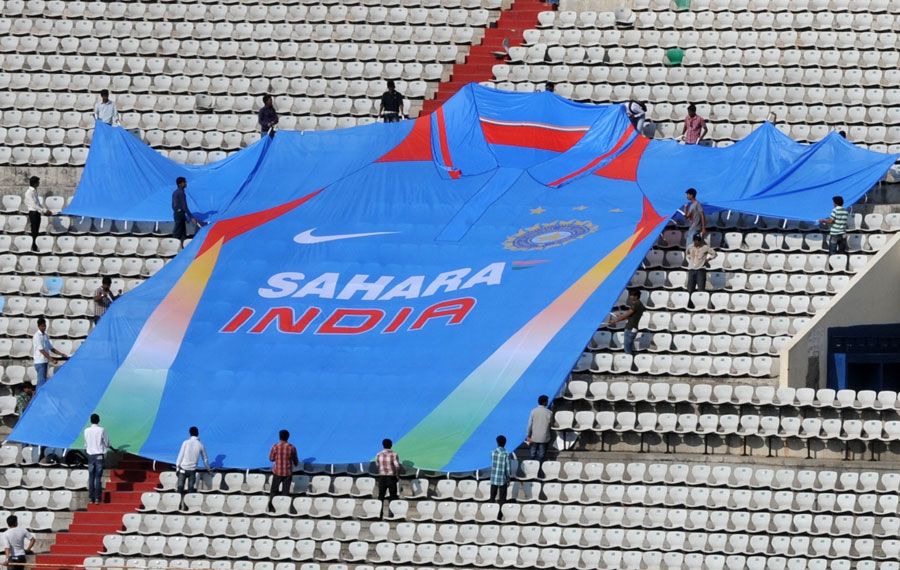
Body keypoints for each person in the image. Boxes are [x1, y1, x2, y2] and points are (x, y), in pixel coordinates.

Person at [606, 288, 645, 358]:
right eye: (630, 295)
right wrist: (620, 316)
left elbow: (626, 315)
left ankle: (630, 363)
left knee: (627, 349)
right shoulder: (639, 304)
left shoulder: (635, 304)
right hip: (632, 328)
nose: (630, 297)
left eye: (632, 295)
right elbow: (629, 316)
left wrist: (614, 321)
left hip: (630, 329)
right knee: (628, 348)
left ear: (636, 296)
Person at [268, 430, 299, 514]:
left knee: (273, 491)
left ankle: (272, 509)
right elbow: (295, 460)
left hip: (277, 472)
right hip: (287, 473)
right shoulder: (292, 447)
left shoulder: (275, 446)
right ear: (288, 437)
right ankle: (284, 509)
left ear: (279, 436)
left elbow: (271, 458)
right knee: (285, 492)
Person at [33, 317, 66, 390]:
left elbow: (51, 348)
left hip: (45, 361)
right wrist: (52, 360)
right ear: (38, 326)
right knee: (41, 382)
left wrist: (61, 354)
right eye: (42, 326)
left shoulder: (45, 335)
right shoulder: (36, 336)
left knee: (43, 381)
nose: (44, 327)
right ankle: (38, 399)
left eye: (45, 326)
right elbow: (41, 350)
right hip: (40, 362)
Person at [175, 426, 210, 495]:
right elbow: (205, 459)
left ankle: (179, 504)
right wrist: (208, 469)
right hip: (192, 471)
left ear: (189, 433)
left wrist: (177, 468)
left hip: (183, 469)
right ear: (198, 433)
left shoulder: (185, 442)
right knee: (190, 491)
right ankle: (188, 505)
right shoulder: (200, 445)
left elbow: (180, 455)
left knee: (180, 489)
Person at [84, 413, 109, 504]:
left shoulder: (86, 430)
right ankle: (98, 498)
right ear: (98, 420)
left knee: (91, 477)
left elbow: (85, 444)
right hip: (99, 455)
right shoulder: (102, 430)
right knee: (98, 477)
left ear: (91, 420)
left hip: (90, 455)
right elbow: (107, 444)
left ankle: (91, 498)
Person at [685, 234, 717, 306]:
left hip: (700, 270)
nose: (697, 242)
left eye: (699, 240)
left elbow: (714, 254)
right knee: (690, 289)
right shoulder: (689, 247)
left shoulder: (705, 247)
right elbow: (686, 254)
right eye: (696, 241)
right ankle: (690, 305)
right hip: (691, 270)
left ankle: (700, 305)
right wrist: (689, 260)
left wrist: (707, 260)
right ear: (693, 241)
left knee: (701, 289)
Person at [375, 439, 402, 518]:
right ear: (391, 445)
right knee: (393, 496)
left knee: (381, 496)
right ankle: (391, 514)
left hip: (382, 477)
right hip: (391, 477)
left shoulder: (378, 454)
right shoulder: (394, 454)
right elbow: (397, 466)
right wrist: (397, 475)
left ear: (383, 445)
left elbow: (377, 465)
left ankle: (380, 514)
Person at [23, 176, 50, 251]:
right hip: (33, 213)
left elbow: (38, 203)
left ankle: (35, 246)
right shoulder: (29, 192)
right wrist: (43, 211)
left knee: (36, 230)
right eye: (38, 182)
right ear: (35, 183)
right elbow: (34, 205)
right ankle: (33, 247)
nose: (39, 183)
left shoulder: (34, 191)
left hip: (37, 212)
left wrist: (44, 209)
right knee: (34, 231)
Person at [489, 435, 512, 518]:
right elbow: (508, 468)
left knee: (492, 497)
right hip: (503, 478)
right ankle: (499, 514)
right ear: (505, 443)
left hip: (494, 477)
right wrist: (508, 478)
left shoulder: (493, 452)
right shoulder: (506, 453)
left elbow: (492, 463)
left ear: (497, 442)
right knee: (502, 498)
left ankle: (491, 513)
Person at [526, 396, 553, 462]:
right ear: (544, 402)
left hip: (534, 437)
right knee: (541, 455)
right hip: (544, 437)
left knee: (532, 454)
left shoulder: (533, 411)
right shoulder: (549, 412)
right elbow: (550, 424)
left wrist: (528, 435)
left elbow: (529, 424)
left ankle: (531, 469)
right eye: (547, 401)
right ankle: (539, 469)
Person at [171, 177, 196, 243]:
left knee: (182, 232)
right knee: (178, 232)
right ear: (180, 184)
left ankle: (182, 247)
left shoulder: (175, 192)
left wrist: (177, 211)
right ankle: (175, 245)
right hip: (180, 215)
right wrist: (191, 217)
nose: (186, 183)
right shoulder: (181, 193)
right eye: (184, 182)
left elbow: (173, 205)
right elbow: (184, 207)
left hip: (177, 214)